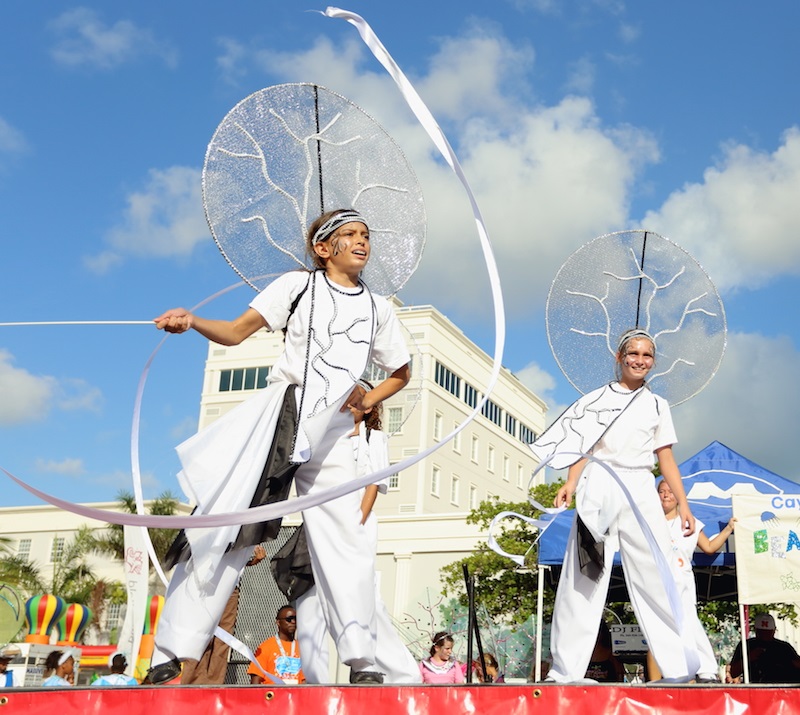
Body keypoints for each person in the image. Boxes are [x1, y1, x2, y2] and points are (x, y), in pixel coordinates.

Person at [146, 209, 413, 686]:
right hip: (285, 418)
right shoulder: (297, 287)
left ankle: (362, 660)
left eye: (367, 235)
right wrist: (191, 321)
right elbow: (234, 332)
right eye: (349, 234)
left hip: (337, 432)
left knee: (351, 538)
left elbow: (401, 371)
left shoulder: (381, 308)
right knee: (229, 530)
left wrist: (365, 401)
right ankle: (172, 651)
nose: (361, 242)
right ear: (323, 248)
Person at [531, 328, 696, 684]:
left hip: (640, 485)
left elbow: (665, 457)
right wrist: (571, 483)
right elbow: (584, 447)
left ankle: (677, 667)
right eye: (633, 354)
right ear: (619, 357)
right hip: (600, 484)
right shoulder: (596, 399)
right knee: (585, 573)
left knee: (656, 573)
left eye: (647, 355)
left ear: (654, 362)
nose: (640, 360)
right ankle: (564, 670)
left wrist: (683, 504)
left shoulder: (656, 405)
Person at [295, 390, 421, 684]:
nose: (351, 403)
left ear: (368, 408)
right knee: (313, 597)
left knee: (362, 594)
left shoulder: (373, 439)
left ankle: (401, 672)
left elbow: (374, 484)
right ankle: (316, 678)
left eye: (359, 399)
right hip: (322, 523)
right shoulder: (326, 437)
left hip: (356, 524)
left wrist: (356, 522)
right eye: (347, 398)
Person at [649, 479, 735, 683]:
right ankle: (655, 683)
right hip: (656, 582)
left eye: (670, 491)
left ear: (678, 497)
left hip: (681, 581)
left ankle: (706, 671)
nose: (666, 495)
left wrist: (728, 529)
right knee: (658, 631)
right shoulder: (649, 522)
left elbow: (709, 547)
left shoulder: (689, 522)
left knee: (688, 622)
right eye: (661, 491)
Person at [181, 545, 267, 685]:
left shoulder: (245, 530)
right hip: (205, 586)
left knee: (223, 640)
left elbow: (235, 561)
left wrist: (253, 560)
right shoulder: (216, 528)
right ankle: (190, 684)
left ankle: (214, 685)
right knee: (201, 636)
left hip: (230, 588)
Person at [729, 613, 800, 684]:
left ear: (774, 630)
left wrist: (788, 661)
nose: (765, 637)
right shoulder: (745, 646)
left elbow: (797, 664)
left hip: (780, 689)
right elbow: (733, 673)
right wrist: (749, 658)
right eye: (761, 633)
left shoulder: (784, 648)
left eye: (768, 633)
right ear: (755, 630)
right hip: (754, 689)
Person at [248, 605, 305, 684]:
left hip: (295, 695)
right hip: (273, 694)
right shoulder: (266, 647)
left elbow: (304, 680)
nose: (293, 622)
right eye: (289, 619)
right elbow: (255, 680)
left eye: (295, 619)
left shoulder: (302, 648)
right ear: (278, 622)